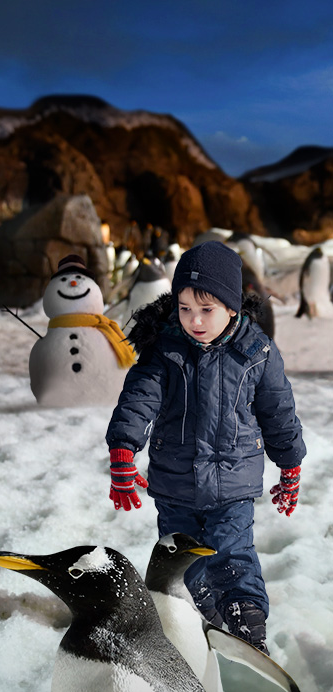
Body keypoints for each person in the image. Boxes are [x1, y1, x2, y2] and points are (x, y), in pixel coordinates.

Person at [106, 242, 306, 654]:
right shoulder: (164, 349)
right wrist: (123, 450)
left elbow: (279, 412)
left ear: (232, 307)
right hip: (175, 485)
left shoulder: (256, 353)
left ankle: (246, 623)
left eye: (206, 309)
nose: (194, 320)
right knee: (185, 568)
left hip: (233, 486)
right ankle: (203, 622)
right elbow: (138, 399)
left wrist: (290, 466)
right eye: (184, 308)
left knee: (232, 556)